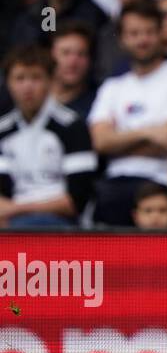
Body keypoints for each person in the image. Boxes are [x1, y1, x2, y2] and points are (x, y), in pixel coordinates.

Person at [88, 0, 167, 226]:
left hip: (163, 185)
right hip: (114, 185)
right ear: (122, 39)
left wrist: (121, 140)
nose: (142, 40)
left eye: (149, 32)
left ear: (161, 33)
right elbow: (99, 142)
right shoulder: (112, 87)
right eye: (134, 33)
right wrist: (149, 133)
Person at [0, 45, 96, 229]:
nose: (27, 87)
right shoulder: (2, 129)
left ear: (51, 81)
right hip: (9, 222)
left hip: (58, 223)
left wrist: (16, 209)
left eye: (36, 78)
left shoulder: (73, 126)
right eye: (20, 78)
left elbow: (77, 200)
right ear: (9, 84)